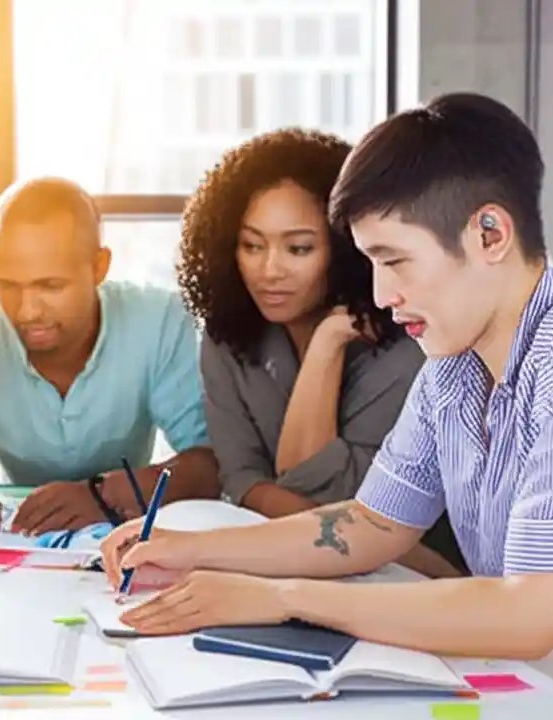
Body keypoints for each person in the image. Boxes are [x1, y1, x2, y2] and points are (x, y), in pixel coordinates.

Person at [98, 93, 553, 720]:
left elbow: (529, 613)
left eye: (395, 260)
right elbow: (371, 525)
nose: (382, 295)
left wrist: (281, 598)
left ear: (490, 234)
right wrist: (188, 547)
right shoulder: (454, 366)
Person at [178, 128, 463, 576]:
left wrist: (327, 345)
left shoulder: (404, 346)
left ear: (345, 248)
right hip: (306, 561)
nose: (269, 270)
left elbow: (338, 494)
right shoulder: (227, 337)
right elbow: (240, 478)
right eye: (252, 246)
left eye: (299, 249)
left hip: (415, 576)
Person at [0, 177, 220, 548]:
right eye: (9, 285)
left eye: (50, 286)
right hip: (18, 544)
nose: (26, 311)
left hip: (121, 538)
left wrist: (103, 494)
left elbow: (210, 463)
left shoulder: (159, 319)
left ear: (99, 267)